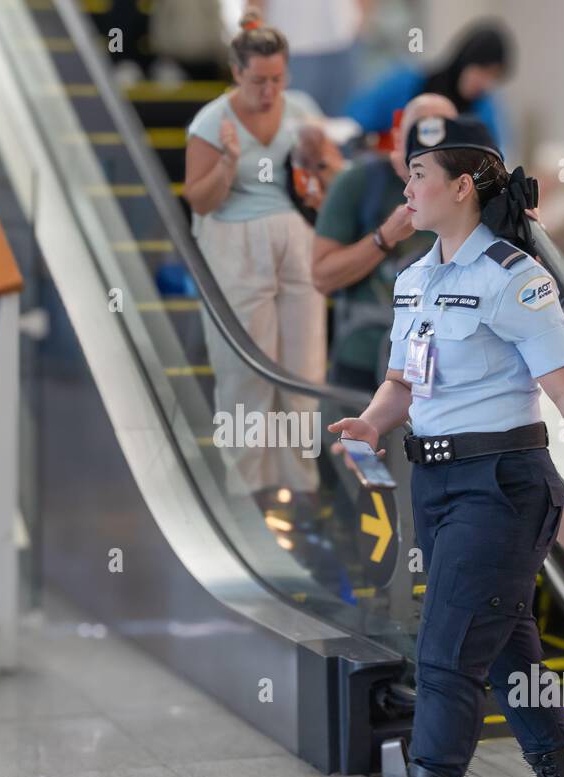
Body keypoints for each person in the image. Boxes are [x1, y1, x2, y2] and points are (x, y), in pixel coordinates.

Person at [324, 117, 564, 777]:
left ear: (462, 185)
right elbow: (404, 379)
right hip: (438, 484)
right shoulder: (415, 279)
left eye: (418, 174)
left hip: (503, 488)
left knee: (447, 656)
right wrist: (372, 423)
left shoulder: (516, 278)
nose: (406, 187)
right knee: (510, 655)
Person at [184, 9, 328, 514]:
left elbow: (331, 177)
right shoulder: (211, 122)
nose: (270, 91)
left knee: (303, 370)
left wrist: (322, 158)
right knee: (245, 372)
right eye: (259, 81)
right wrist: (226, 163)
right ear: (237, 73)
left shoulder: (303, 110)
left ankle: (300, 487)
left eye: (278, 80)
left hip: (298, 241)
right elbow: (199, 201)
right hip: (236, 245)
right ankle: (248, 492)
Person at [311, 93, 459, 390]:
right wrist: (385, 237)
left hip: (444, 364)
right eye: (419, 134)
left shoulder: (468, 191)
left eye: (440, 136)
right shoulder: (359, 183)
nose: (428, 147)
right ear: (397, 136)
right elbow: (322, 277)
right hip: (363, 358)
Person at [343, 20, 515, 159]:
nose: (484, 83)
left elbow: (496, 157)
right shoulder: (406, 83)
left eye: (493, 77)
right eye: (481, 71)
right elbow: (353, 124)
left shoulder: (484, 110)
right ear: (465, 61)